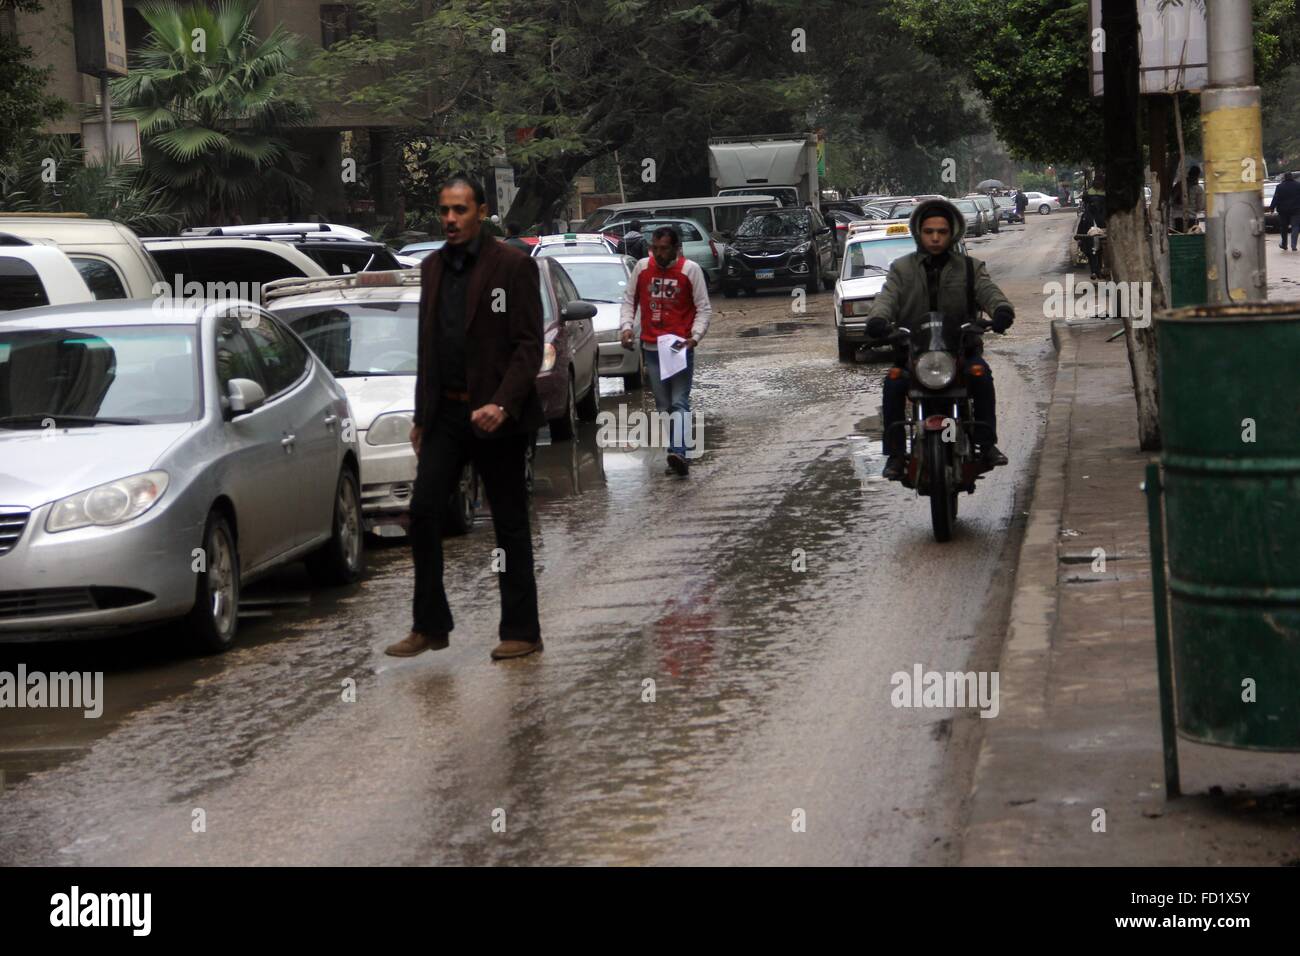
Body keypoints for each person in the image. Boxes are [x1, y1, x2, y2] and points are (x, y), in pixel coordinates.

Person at [385, 174, 546, 662]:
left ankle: (521, 630)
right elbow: (427, 345)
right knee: (425, 509)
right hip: (447, 413)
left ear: (481, 212)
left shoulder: (513, 267)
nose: (450, 219)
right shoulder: (432, 267)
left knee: (509, 522)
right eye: (444, 211)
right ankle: (430, 625)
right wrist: (420, 415)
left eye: (459, 210)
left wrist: (503, 402)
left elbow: (528, 345)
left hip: (497, 415)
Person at [864, 198, 1014, 481]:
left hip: (960, 351)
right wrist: (878, 320)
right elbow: (887, 298)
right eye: (929, 231)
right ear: (918, 233)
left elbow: (989, 291)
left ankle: (987, 443)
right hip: (913, 353)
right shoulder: (901, 269)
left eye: (942, 231)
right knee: (894, 382)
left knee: (980, 376)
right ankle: (895, 455)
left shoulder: (970, 267)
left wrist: (1002, 310)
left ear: (952, 233)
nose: (935, 237)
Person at [618, 225, 711, 477]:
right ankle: (676, 452)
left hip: (679, 347)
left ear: (676, 249)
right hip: (651, 346)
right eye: (655, 248)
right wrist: (627, 328)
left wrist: (695, 337)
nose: (658, 254)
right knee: (663, 406)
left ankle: (679, 452)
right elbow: (629, 300)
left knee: (679, 402)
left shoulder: (690, 270)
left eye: (664, 249)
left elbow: (703, 308)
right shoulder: (641, 268)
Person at [1077, 174, 1107, 280]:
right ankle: (1095, 270)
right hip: (1089, 236)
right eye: (1092, 202)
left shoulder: (1104, 215)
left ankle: (1099, 270)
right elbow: (1081, 227)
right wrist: (1079, 237)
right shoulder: (1086, 216)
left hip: (1102, 229)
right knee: (1091, 252)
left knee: (1100, 252)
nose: (1095, 203)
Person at [1269, 171, 1300, 251]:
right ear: (1292, 177)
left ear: (1284, 177)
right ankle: (1293, 245)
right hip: (1296, 210)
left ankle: (1284, 244)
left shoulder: (1280, 187)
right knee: (1295, 227)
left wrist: (1272, 208)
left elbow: (1276, 198)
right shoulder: (1298, 185)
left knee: (1284, 228)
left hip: (1283, 211)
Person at [1171, 165, 1204, 232]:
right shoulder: (1198, 189)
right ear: (1197, 175)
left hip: (1177, 218)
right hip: (1191, 218)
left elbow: (1171, 201)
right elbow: (1200, 206)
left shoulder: (1178, 185)